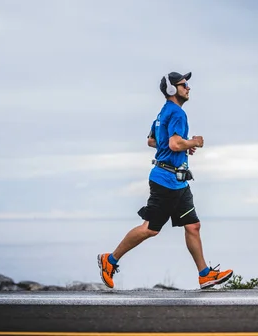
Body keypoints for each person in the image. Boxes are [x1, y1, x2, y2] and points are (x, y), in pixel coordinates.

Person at [97, 71, 233, 289]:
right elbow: (174, 144)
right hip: (166, 182)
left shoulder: (162, 114)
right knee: (150, 229)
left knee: (193, 226)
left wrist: (182, 148)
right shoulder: (178, 114)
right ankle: (109, 260)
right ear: (172, 89)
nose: (188, 88)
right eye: (184, 84)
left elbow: (153, 141)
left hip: (179, 181)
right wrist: (193, 142)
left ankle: (204, 274)